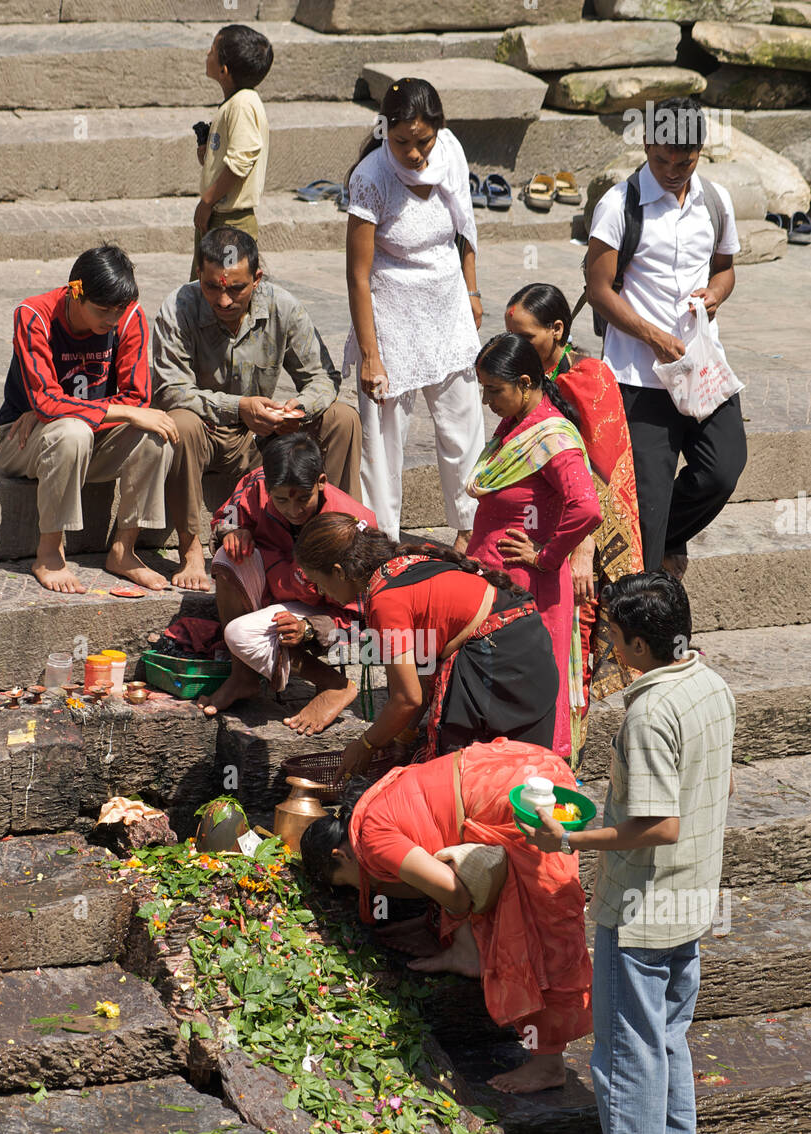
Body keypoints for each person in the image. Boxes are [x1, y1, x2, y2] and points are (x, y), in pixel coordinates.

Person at [523, 573, 735, 1134]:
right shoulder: (710, 685)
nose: (607, 647)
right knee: (665, 1038)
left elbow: (656, 823)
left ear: (640, 646)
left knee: (623, 1053)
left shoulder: (648, 712)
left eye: (612, 637)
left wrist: (572, 838)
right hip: (690, 896)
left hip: (641, 907)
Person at [301, 737, 592, 1093]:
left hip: (515, 800)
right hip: (533, 770)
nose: (364, 889)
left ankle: (548, 1065)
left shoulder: (373, 841)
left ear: (340, 856)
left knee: (542, 923)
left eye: (348, 883)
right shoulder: (370, 804)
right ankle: (467, 953)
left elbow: (454, 892)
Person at [152, 226, 362, 591]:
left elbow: (324, 378)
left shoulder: (282, 305)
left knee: (342, 418)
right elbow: (170, 390)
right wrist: (239, 408)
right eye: (212, 287)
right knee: (179, 423)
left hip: (266, 440)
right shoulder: (178, 308)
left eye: (236, 288)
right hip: (206, 431)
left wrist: (298, 409)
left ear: (257, 278)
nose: (223, 300)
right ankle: (190, 549)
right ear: (198, 274)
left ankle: (336, 539)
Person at [587, 95, 746, 576]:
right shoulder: (618, 204)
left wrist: (716, 293)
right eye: (662, 160)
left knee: (723, 468)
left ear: (701, 151)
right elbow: (597, 290)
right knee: (647, 509)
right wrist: (651, 334)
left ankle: (665, 536)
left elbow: (726, 269)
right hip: (639, 379)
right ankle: (640, 635)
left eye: (685, 160)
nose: (673, 170)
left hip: (702, 369)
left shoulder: (715, 201)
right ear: (646, 143)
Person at [294, 513, 559, 780]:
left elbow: (407, 698)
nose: (319, 591)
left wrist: (364, 745)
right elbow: (419, 676)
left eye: (318, 582)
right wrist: (403, 736)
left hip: (503, 666)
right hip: (527, 648)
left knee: (474, 782)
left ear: (339, 572)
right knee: (519, 786)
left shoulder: (385, 599)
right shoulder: (402, 566)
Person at [344, 78, 484, 546]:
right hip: (392, 320)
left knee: (463, 427)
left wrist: (473, 289)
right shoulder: (370, 178)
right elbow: (358, 275)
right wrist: (370, 354)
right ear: (386, 133)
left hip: (447, 311)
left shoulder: (451, 153)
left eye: (422, 141)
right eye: (401, 142)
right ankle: (381, 544)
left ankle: (471, 529)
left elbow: (465, 224)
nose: (414, 153)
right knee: (382, 445)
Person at [0, 243, 177, 595]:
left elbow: (137, 397)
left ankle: (124, 549)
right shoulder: (34, 314)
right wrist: (57, 411)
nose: (112, 320)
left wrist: (61, 409)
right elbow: (47, 401)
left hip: (90, 439)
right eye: (103, 310)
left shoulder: (131, 317)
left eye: (118, 310)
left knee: (156, 432)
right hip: (20, 439)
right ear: (76, 292)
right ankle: (49, 551)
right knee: (72, 432)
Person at [505, 284, 644, 711]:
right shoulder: (527, 380)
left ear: (557, 329)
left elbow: (599, 475)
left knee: (576, 634)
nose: (515, 345)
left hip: (584, 537)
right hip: (537, 530)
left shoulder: (589, 378)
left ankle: (569, 738)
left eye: (525, 337)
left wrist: (584, 549)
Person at [467, 333, 601, 761]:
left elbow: (587, 508)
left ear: (525, 382)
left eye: (494, 391)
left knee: (528, 686)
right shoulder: (516, 425)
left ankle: (536, 777)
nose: (488, 402)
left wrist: (546, 555)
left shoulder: (552, 440)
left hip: (529, 589)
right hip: (496, 583)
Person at [200, 432, 376, 731]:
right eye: (280, 499)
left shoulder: (353, 528)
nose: (293, 511)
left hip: (318, 610)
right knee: (226, 557)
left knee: (240, 634)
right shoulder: (256, 483)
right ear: (268, 487)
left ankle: (334, 683)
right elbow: (225, 517)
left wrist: (310, 629)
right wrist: (234, 532)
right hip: (272, 585)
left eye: (303, 499)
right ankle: (242, 677)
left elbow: (363, 614)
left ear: (321, 482)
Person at [191, 24, 272, 277]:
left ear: (224, 70)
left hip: (230, 221)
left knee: (224, 296)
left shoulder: (243, 105)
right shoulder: (235, 103)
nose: (207, 53)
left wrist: (206, 202)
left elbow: (240, 163)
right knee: (205, 294)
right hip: (220, 216)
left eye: (213, 49)